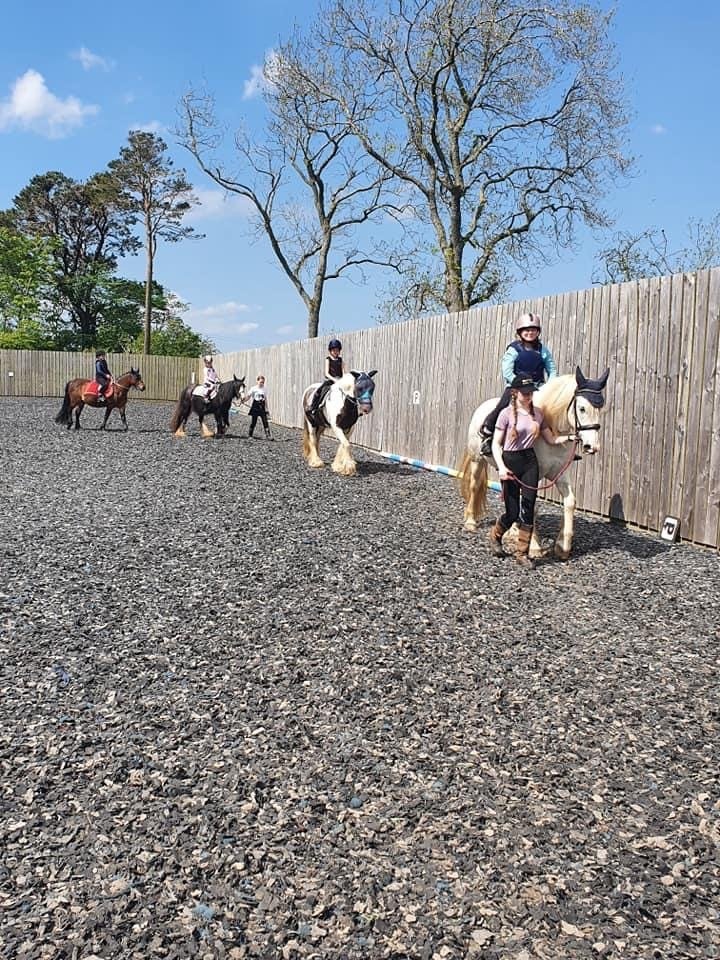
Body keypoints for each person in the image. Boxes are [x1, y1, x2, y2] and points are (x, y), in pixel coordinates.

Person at [488, 375, 574, 568]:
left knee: (528, 507)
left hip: (529, 462)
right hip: (510, 460)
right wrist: (501, 467)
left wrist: (570, 437)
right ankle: (495, 536)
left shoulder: (538, 414)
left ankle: (522, 553)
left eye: (531, 393)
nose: (528, 396)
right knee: (512, 512)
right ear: (515, 393)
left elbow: (551, 440)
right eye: (525, 393)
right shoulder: (505, 414)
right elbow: (496, 444)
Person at [480, 313, 557, 455]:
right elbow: (507, 371)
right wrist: (519, 385)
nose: (530, 333)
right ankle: (488, 434)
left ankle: (558, 447)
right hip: (516, 388)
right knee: (503, 405)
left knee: (554, 410)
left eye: (533, 330)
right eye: (526, 330)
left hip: (538, 388)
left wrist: (549, 387)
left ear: (538, 332)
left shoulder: (543, 350)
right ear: (520, 332)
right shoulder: (514, 349)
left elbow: (551, 369)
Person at [307, 338, 346, 422]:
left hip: (340, 381)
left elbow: (343, 372)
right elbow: (326, 373)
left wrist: (343, 380)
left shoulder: (341, 360)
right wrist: (334, 379)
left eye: (337, 350)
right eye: (334, 350)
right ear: (330, 351)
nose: (336, 352)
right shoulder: (328, 359)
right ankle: (313, 407)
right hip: (331, 380)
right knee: (320, 390)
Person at [246, 374, 271, 439]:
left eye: (263, 382)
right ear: (257, 381)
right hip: (255, 406)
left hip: (262, 407)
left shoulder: (264, 389)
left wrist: (267, 409)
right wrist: (243, 400)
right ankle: (250, 435)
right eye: (261, 382)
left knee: (265, 421)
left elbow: (265, 399)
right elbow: (248, 396)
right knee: (253, 422)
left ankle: (268, 436)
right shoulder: (253, 388)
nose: (262, 383)